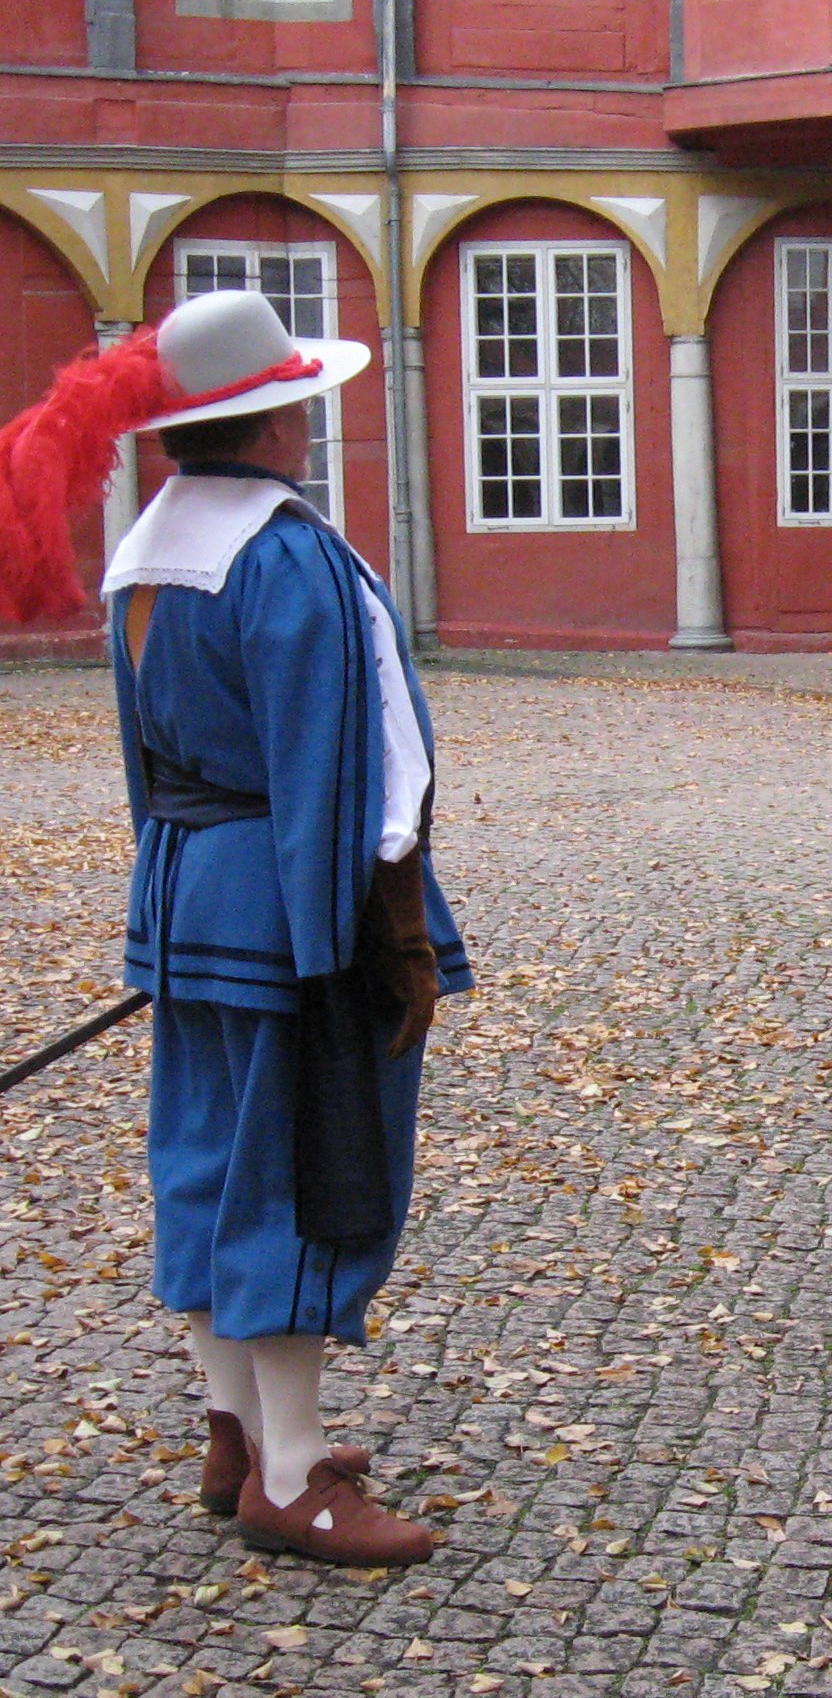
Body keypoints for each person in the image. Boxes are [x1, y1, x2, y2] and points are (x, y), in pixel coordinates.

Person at [0, 290, 473, 1562]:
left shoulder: (148, 548)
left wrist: (166, 906)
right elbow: (353, 769)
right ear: (275, 422)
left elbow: (147, 770)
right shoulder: (285, 555)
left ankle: (234, 1424)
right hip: (288, 911)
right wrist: (357, 946)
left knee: (210, 1166)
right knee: (305, 1180)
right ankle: (291, 1475)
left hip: (189, 891)